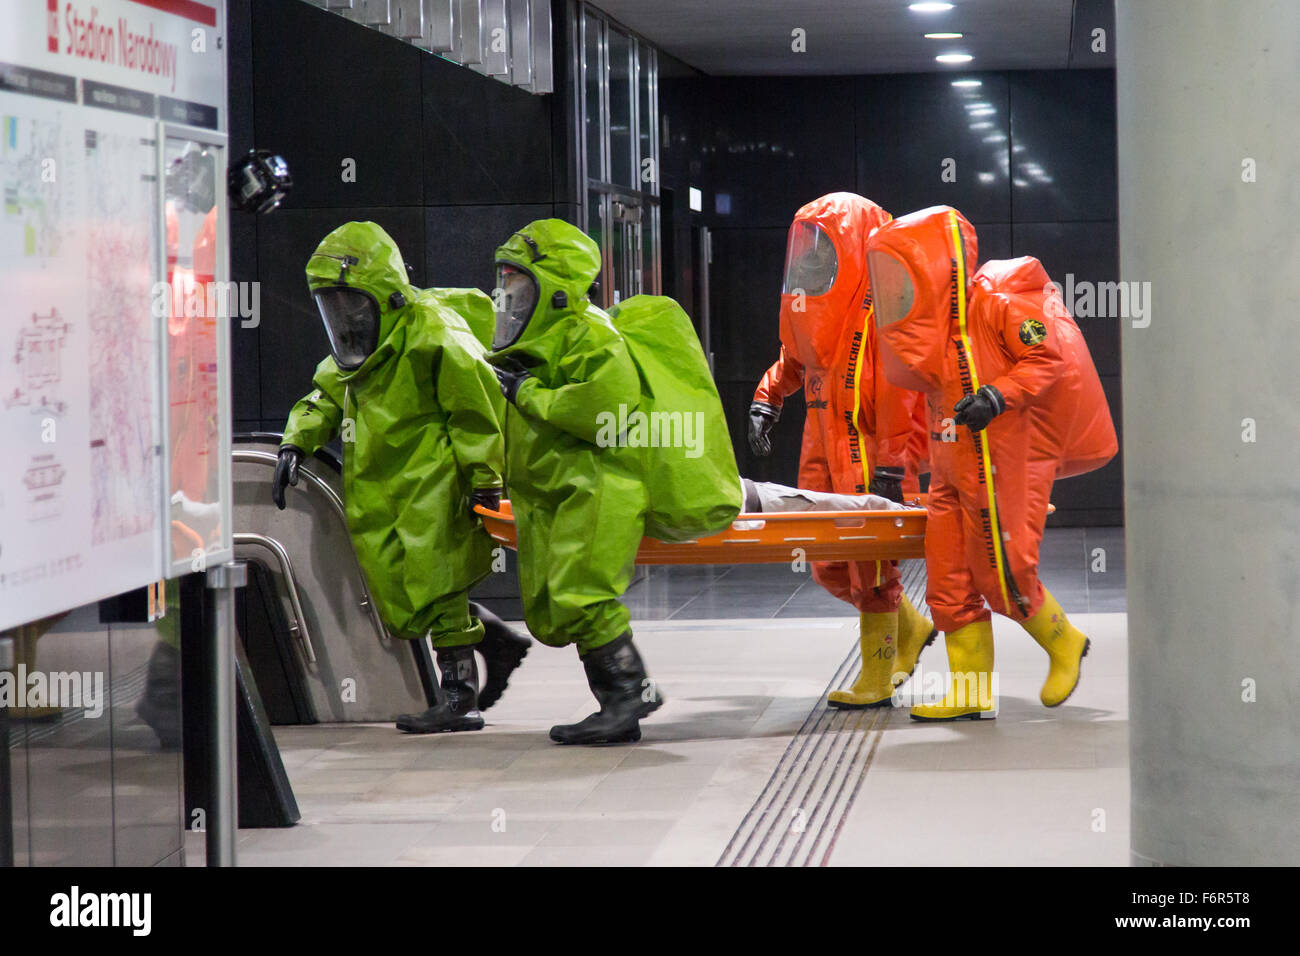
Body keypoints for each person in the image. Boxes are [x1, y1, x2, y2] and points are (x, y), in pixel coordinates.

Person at [274, 221, 529, 734]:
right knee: (410, 593)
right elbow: (325, 393)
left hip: (435, 484)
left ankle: (459, 698)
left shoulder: (435, 333)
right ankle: (495, 643)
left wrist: (484, 476)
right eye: (333, 305)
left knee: (438, 586)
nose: (343, 318)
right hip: (382, 485)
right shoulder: (360, 350)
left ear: (384, 297)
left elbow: (473, 410)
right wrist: (294, 441)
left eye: (351, 303)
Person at [866, 205, 1117, 720]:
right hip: (952, 464)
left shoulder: (997, 304)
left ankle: (1063, 640)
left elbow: (1045, 358)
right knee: (949, 577)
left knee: (1004, 567)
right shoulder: (931, 330)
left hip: (1008, 455)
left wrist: (997, 396)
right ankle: (971, 688)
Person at [747, 193, 935, 710]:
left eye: (823, 245)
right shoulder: (816, 306)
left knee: (869, 561)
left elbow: (902, 396)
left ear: (853, 244)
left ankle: (876, 674)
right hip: (820, 431)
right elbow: (794, 358)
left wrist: (894, 464)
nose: (810, 257)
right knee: (828, 558)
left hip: (867, 444)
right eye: (806, 244)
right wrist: (767, 398)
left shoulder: (886, 308)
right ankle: (911, 628)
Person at [488, 219, 666, 745]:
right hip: (560, 488)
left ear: (556, 289)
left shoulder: (591, 334)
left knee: (582, 593)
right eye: (508, 284)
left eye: (520, 284)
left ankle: (629, 696)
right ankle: (621, 705)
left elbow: (605, 406)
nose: (510, 296)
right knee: (564, 598)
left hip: (596, 486)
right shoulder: (543, 338)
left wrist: (531, 394)